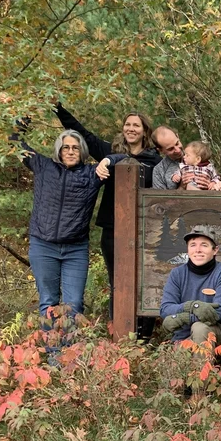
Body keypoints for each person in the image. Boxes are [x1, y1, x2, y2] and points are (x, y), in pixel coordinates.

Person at [54, 104, 160, 328]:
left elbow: (148, 172)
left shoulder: (154, 159)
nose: (131, 129)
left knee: (145, 281)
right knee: (117, 282)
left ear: (145, 131)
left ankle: (144, 334)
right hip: (113, 229)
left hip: (145, 230)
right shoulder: (108, 150)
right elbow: (82, 133)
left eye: (136, 125)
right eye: (127, 124)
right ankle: (118, 330)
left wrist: (112, 160)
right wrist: (58, 108)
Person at [15, 127, 126, 318]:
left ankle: (69, 348)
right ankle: (53, 349)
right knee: (48, 302)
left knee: (73, 305)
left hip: (75, 249)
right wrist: (23, 121)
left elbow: (124, 158)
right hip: (43, 245)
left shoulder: (92, 174)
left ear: (82, 150)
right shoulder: (43, 166)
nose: (71, 151)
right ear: (59, 150)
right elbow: (16, 144)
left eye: (75, 147)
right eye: (66, 147)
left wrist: (106, 160)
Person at [160, 226, 221, 344]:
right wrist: (192, 306)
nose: (198, 250)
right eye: (193, 245)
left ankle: (203, 363)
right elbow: (166, 309)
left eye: (204, 245)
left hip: (217, 333)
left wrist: (184, 318)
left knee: (199, 328)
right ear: (188, 249)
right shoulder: (177, 274)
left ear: (215, 250)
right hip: (182, 337)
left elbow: (220, 312)